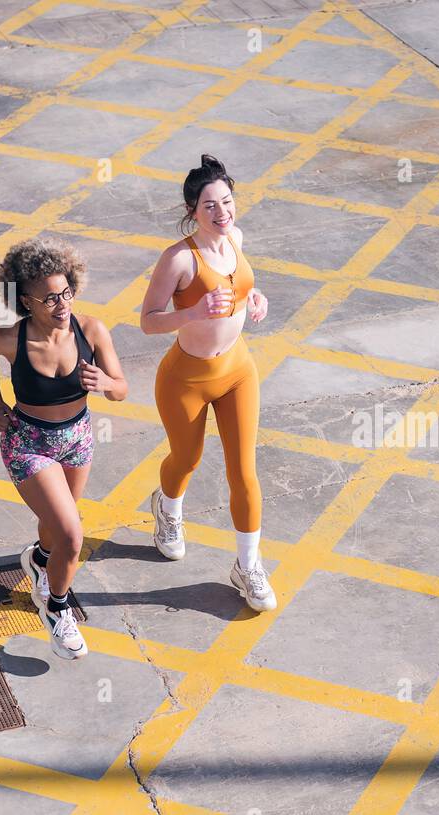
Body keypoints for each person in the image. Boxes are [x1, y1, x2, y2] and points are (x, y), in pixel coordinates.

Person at [0, 239, 128, 658]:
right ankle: (56, 609)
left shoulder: (91, 330)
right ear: (26, 301)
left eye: (67, 293)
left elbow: (121, 390)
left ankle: (40, 559)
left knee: (55, 532)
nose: (62, 304)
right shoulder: (11, 339)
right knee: (72, 536)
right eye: (49, 298)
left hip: (77, 439)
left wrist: (107, 384)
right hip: (29, 444)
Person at [139, 154, 275, 612]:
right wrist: (193, 312)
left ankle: (248, 566)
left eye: (227, 201)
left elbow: (240, 288)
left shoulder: (235, 239)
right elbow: (148, 322)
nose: (222, 213)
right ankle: (168, 509)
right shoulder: (178, 259)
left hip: (237, 371)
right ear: (192, 211)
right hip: (186, 379)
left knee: (244, 473)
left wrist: (255, 297)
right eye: (210, 206)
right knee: (187, 459)